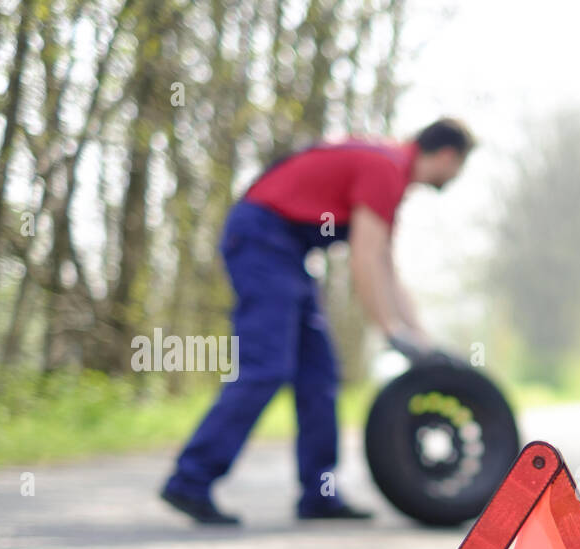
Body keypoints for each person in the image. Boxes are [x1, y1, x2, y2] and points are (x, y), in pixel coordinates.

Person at [160, 118, 476, 524]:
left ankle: (319, 493)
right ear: (447, 155)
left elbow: (385, 266)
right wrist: (390, 330)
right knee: (267, 367)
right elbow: (363, 259)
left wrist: (421, 339)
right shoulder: (385, 167)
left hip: (287, 251)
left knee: (319, 374)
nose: (455, 177)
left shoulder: (389, 170)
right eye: (458, 168)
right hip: (262, 238)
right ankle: (191, 479)